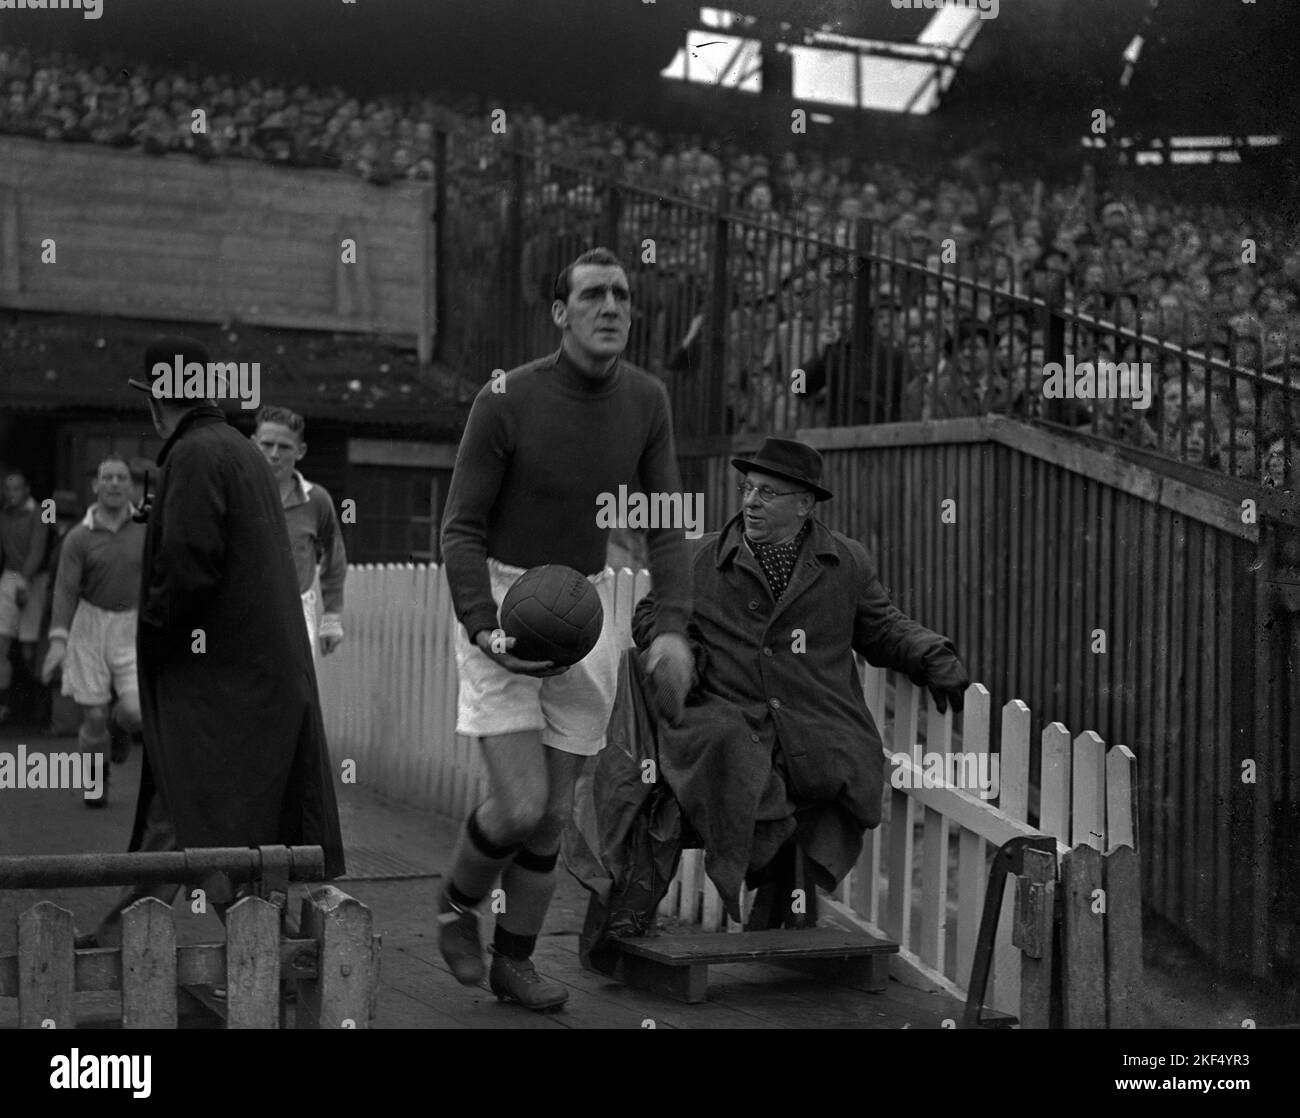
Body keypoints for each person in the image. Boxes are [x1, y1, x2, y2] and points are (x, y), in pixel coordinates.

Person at [439, 247, 695, 1010]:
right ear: (560, 312)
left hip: (583, 608)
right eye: (592, 295)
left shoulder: (647, 400)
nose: (611, 307)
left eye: (622, 295)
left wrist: (672, 628)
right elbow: (460, 529)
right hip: (504, 604)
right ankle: (456, 904)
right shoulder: (506, 398)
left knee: (553, 816)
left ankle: (513, 962)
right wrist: (483, 628)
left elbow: (667, 526)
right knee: (519, 806)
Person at [629, 436, 971, 926]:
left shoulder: (845, 562)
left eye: (768, 493)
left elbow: (882, 628)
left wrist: (930, 651)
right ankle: (778, 896)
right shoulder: (699, 558)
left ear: (804, 505)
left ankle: (780, 908)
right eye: (748, 488)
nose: (750, 502)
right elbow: (650, 616)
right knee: (732, 755)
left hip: (813, 720)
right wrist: (684, 647)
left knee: (840, 769)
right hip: (728, 713)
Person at [79, 335, 344, 948]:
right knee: (189, 818)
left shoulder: (195, 456)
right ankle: (126, 941)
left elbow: (188, 572)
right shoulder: (236, 450)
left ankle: (264, 958)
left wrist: (154, 647)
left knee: (204, 819)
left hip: (220, 687)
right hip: (248, 679)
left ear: (156, 401)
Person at [40, 455, 146, 808]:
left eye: (121, 477)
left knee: (135, 712)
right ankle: (94, 778)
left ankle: (119, 729)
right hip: (90, 626)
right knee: (94, 714)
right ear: (96, 486)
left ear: (130, 486)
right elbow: (65, 590)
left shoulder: (147, 529)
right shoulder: (78, 537)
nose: (114, 483)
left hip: (131, 627)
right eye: (107, 478)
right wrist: (58, 640)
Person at [250, 406, 347, 667]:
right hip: (242, 611)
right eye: (266, 444)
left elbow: (334, 553)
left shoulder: (316, 500)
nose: (274, 455)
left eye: (284, 447)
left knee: (295, 690)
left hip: (295, 613)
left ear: (300, 451)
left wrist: (332, 616)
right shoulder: (234, 495)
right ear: (253, 444)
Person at [0, 470, 53, 725]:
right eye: (7, 489)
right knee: (2, 640)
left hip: (33, 578)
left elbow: (38, 548)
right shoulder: (4, 514)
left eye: (16, 488)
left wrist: (25, 579)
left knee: (30, 646)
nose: (11, 494)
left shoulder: (42, 511)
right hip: (10, 576)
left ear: (27, 489)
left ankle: (38, 707)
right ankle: (4, 706)